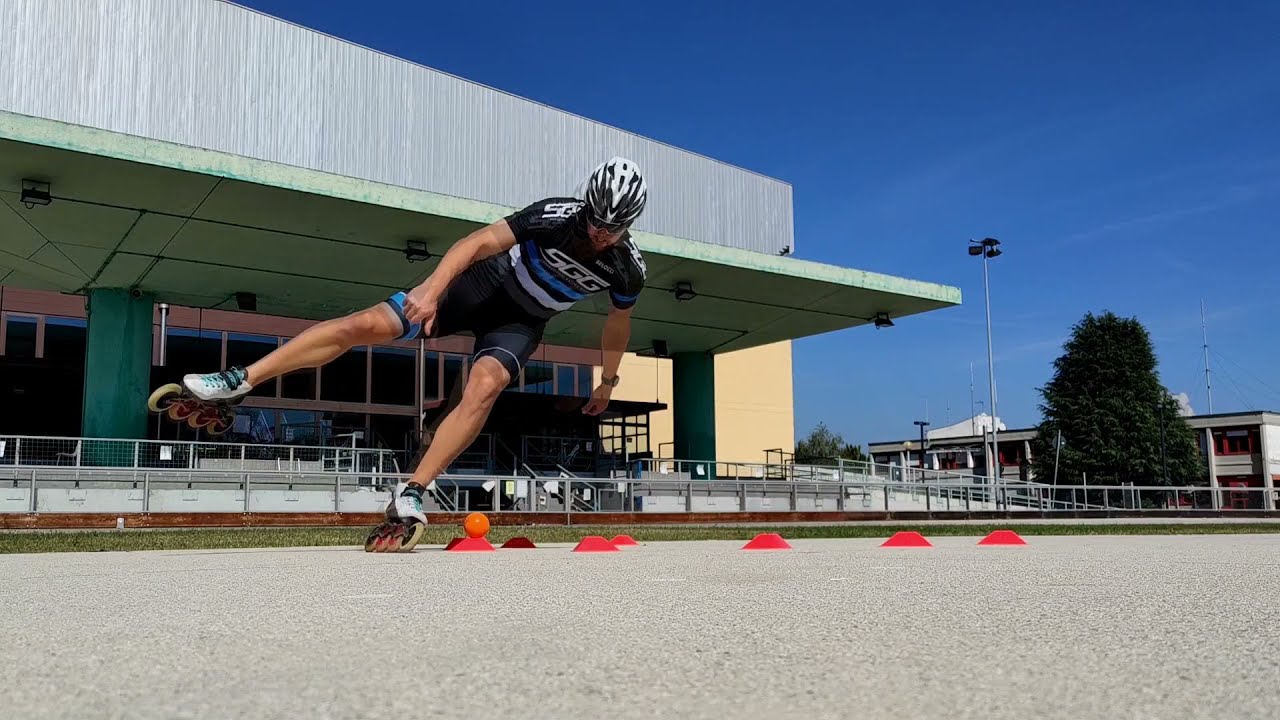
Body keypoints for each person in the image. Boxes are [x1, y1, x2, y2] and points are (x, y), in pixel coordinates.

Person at [179, 157, 649, 540]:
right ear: (586, 203)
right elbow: (478, 242)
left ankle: (411, 491)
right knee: (366, 324)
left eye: (611, 228)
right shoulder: (555, 215)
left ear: (629, 225)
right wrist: (430, 289)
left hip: (520, 322)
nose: (597, 234)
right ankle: (241, 380)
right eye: (594, 220)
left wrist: (607, 382)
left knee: (486, 387)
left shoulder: (628, 269)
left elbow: (616, 326)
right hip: (481, 286)